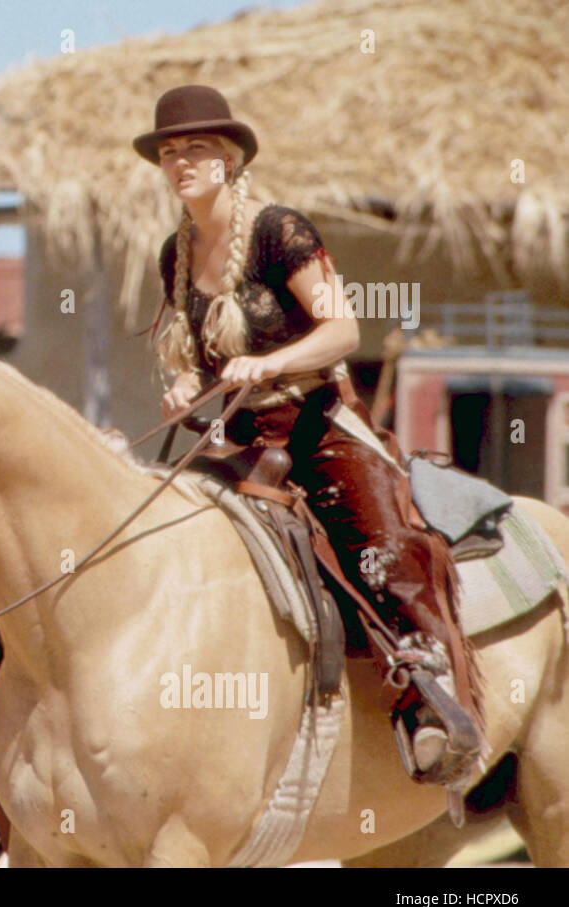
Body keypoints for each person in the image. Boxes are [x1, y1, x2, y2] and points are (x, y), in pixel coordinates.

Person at [133, 85, 483, 786]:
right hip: (232, 442)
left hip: (315, 428)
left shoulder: (277, 230)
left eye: (197, 147)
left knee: (381, 546)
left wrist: (270, 362)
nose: (183, 161)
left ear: (230, 157)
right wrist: (182, 389)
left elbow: (344, 329)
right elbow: (200, 360)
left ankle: (438, 703)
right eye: (170, 151)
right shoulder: (175, 251)